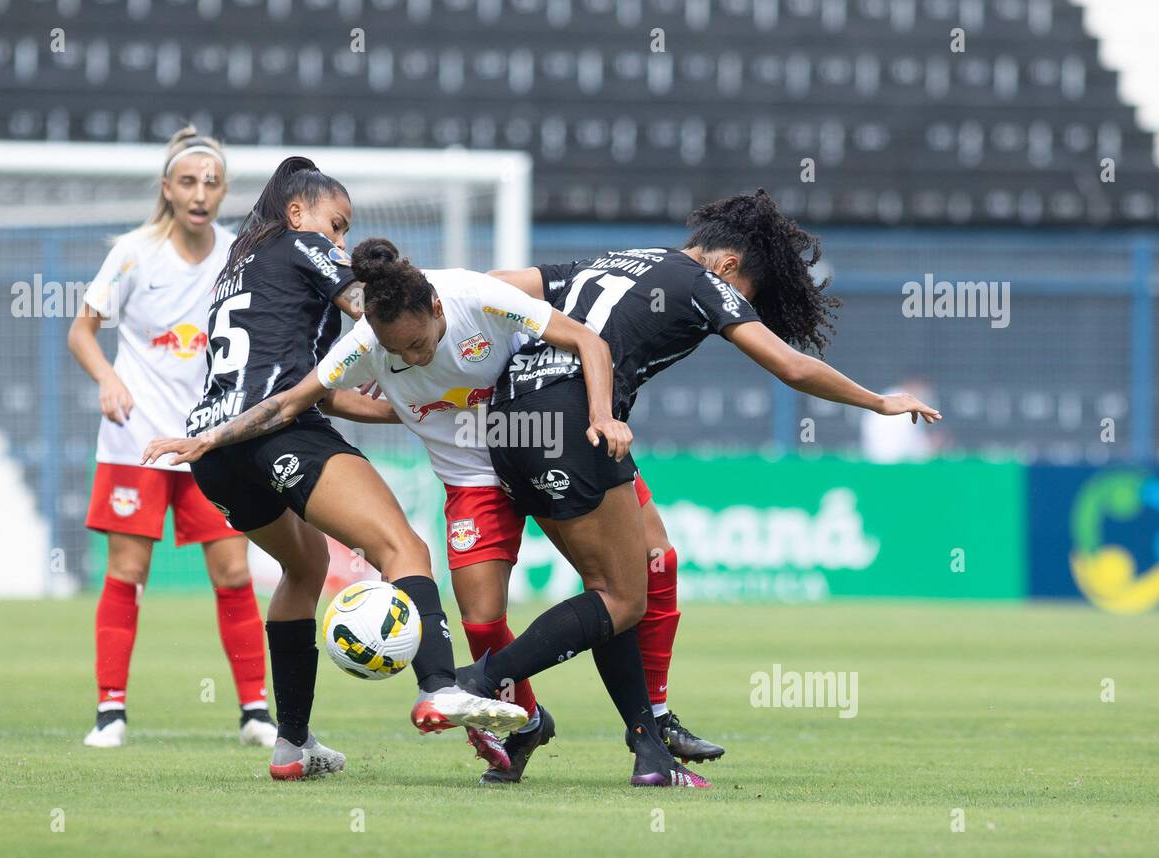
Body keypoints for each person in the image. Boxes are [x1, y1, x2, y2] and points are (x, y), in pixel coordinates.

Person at [461, 189, 941, 788]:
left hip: (510, 420)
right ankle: (482, 681)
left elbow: (488, 284)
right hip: (576, 421)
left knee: (647, 560)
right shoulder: (704, 280)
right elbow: (789, 365)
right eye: (747, 295)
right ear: (729, 265)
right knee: (620, 599)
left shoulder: (613, 260)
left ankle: (651, 746)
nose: (740, 305)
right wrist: (878, 401)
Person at [142, 157, 527, 781]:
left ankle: (292, 743)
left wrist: (415, 408)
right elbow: (372, 308)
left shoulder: (238, 271)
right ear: (298, 213)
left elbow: (318, 390)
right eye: (337, 225)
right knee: (403, 548)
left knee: (305, 566)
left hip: (217, 451)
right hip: (278, 432)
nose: (341, 242)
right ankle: (439, 686)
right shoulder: (301, 245)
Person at [320, 240, 722, 783]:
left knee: (644, 571)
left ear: (435, 308)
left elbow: (584, 338)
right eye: (402, 353)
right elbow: (321, 396)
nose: (412, 358)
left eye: (417, 345)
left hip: (544, 442)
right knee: (485, 618)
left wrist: (600, 414)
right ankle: (528, 721)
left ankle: (653, 722)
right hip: (474, 480)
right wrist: (413, 413)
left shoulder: (476, 296)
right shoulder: (372, 341)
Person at [68, 127, 275, 750]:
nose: (200, 193)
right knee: (128, 572)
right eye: (188, 181)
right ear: (167, 188)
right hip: (135, 441)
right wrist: (107, 378)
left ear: (224, 192)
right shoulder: (133, 253)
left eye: (211, 183)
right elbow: (82, 331)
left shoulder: (237, 257)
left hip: (209, 442)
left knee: (235, 573)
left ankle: (255, 712)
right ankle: (110, 712)